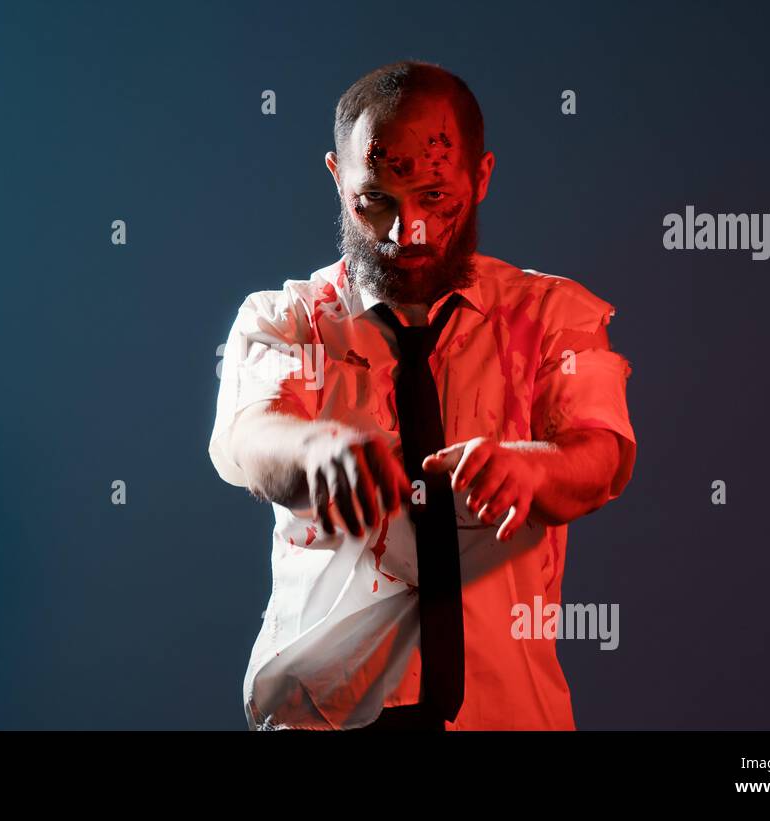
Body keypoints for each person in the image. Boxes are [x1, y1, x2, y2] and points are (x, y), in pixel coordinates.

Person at [209, 60, 637, 731]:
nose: (406, 230)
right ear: (336, 178)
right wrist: (314, 447)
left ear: (483, 177)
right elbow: (244, 439)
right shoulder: (286, 318)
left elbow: (602, 454)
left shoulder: (552, 315)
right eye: (374, 199)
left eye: (435, 197)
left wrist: (532, 466)